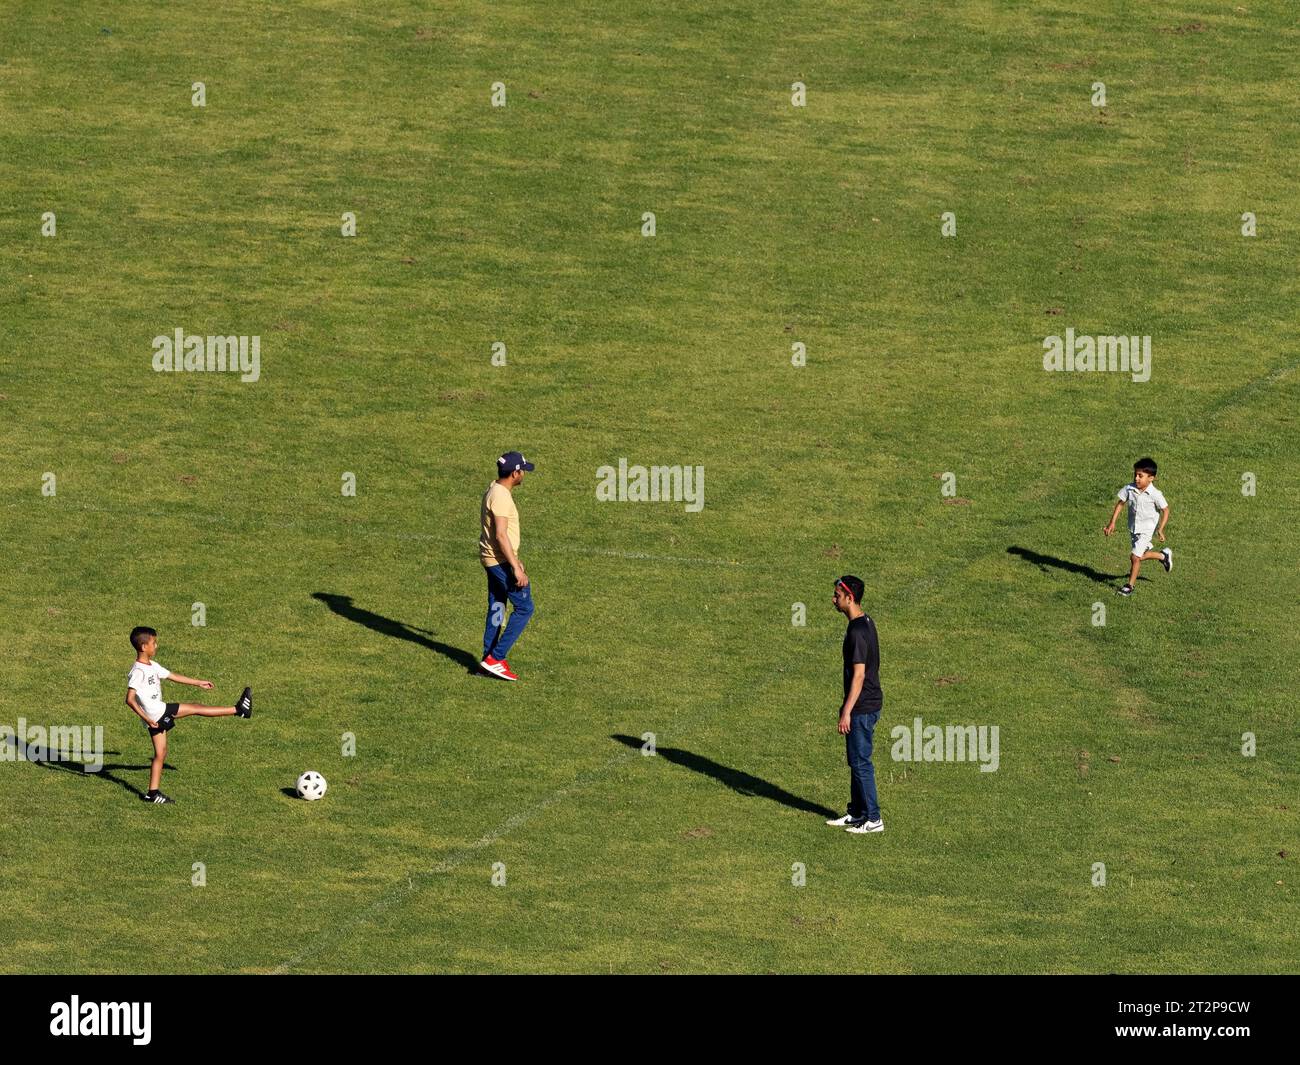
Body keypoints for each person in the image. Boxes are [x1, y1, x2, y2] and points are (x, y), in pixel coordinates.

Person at [125, 626, 252, 804]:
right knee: (195, 707)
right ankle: (238, 710)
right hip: (157, 713)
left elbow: (172, 676)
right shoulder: (138, 671)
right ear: (144, 647)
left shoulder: (152, 665)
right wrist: (147, 718)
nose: (157, 646)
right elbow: (129, 699)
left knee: (160, 753)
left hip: (155, 717)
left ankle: (152, 794)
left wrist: (197, 682)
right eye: (154, 643)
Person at [826, 576, 884, 834]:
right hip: (865, 704)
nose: (833, 599)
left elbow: (859, 675)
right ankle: (857, 813)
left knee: (861, 762)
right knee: (856, 760)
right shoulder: (865, 622)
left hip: (862, 707)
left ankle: (873, 819)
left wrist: (846, 711)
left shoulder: (857, 631)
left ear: (850, 598)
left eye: (837, 595)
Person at [479, 451, 536, 681]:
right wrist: (515, 566)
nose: (524, 474)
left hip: (492, 559)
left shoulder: (493, 489)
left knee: (498, 607)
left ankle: (486, 662)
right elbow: (501, 535)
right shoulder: (501, 497)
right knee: (524, 608)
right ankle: (496, 658)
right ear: (515, 473)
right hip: (500, 561)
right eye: (523, 470)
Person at [1103, 457, 1172, 596]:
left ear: (1151, 478)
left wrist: (1160, 529)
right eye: (1135, 474)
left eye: (1140, 475)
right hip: (1133, 528)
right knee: (1139, 556)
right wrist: (1112, 522)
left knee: (1134, 557)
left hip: (1147, 529)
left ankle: (1129, 586)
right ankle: (1163, 556)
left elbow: (1166, 510)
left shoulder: (1155, 494)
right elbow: (1120, 503)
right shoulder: (1129, 488)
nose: (1136, 478)